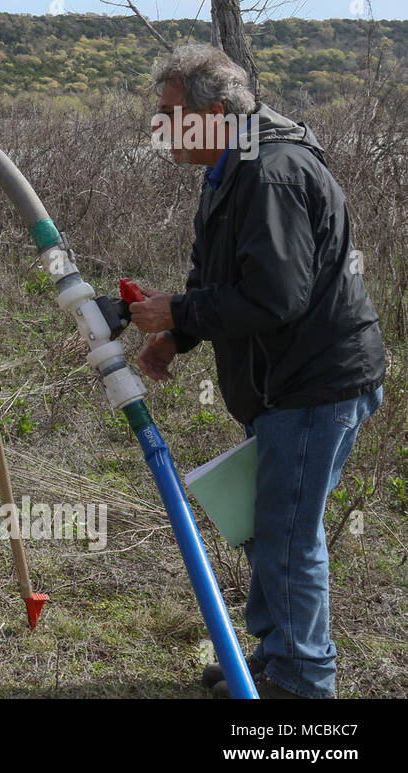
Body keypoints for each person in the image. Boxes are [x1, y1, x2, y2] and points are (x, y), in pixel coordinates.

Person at [129, 43, 385, 699]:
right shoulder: (228, 172)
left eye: (169, 113)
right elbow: (221, 276)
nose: (160, 127)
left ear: (213, 114)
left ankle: (302, 682)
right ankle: (277, 658)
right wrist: (176, 334)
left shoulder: (270, 173)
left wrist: (180, 311)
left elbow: (277, 295)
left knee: (287, 534)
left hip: (315, 384)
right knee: (266, 525)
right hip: (284, 384)